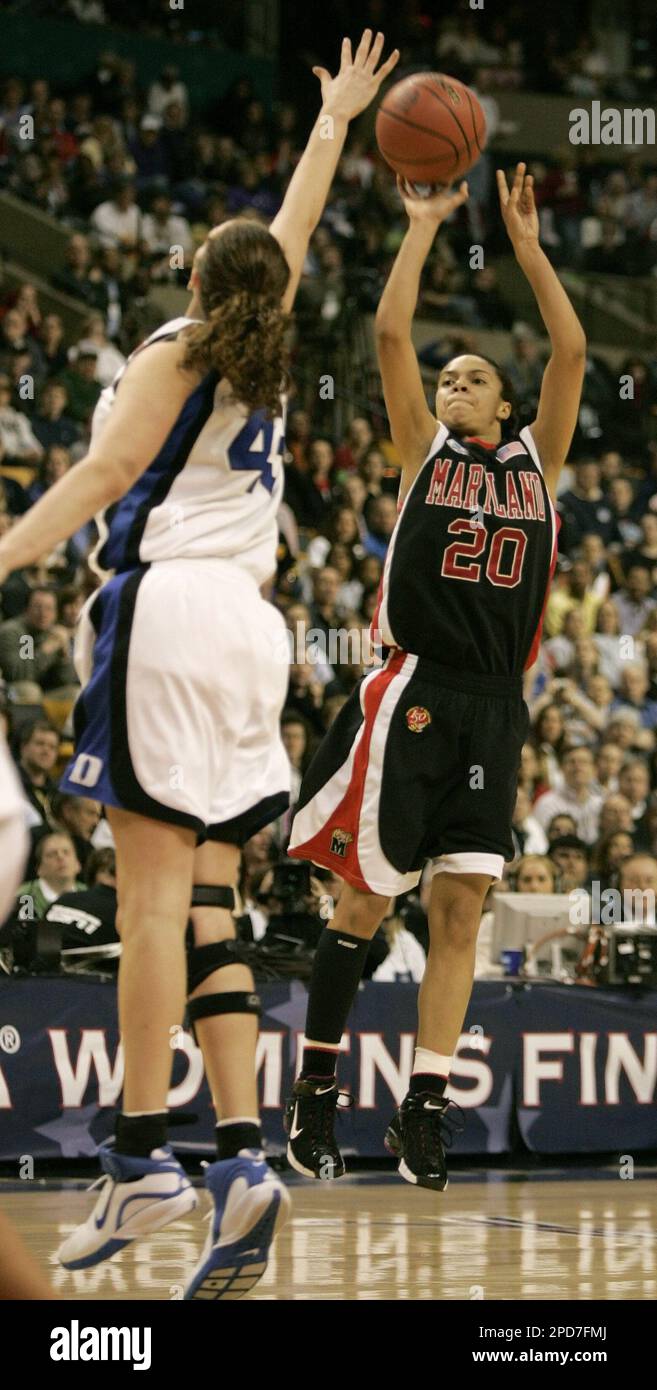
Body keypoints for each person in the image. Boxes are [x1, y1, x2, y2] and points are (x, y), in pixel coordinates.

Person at [0, 29, 399, 1297]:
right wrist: (331, 126)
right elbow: (293, 227)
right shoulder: (263, 341)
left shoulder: (182, 342)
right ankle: (239, 1159)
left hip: (168, 613)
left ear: (190, 272)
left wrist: (6, 553)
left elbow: (107, 472)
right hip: (253, 635)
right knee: (212, 901)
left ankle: (137, 1152)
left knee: (148, 907)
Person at [286, 162, 586, 1190]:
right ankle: (315, 1097)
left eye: (470, 377)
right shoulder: (423, 451)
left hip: (496, 708)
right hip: (413, 691)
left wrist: (531, 250)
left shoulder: (537, 462)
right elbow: (385, 336)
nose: (451, 384)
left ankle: (425, 1108)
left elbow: (574, 350)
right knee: (362, 909)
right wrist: (422, 228)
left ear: (505, 402)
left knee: (460, 913)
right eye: (445, 376)